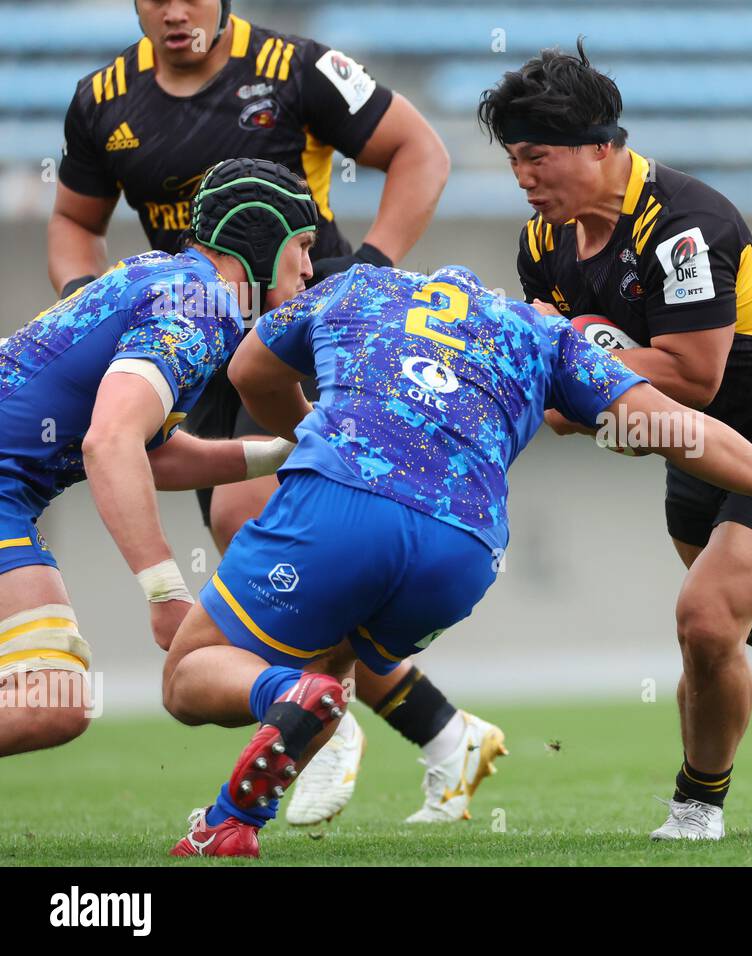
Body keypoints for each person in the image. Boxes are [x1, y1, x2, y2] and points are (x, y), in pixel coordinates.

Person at [161, 261, 752, 857]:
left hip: (345, 502)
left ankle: (287, 708)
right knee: (335, 653)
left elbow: (251, 370)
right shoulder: (540, 330)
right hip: (464, 548)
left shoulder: (359, 285)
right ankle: (232, 818)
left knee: (190, 673)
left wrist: (312, 433)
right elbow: (673, 425)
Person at [48, 0, 489, 827]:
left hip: (305, 336)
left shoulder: (297, 68)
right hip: (198, 339)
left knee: (278, 538)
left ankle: (319, 719)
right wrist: (91, 306)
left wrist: (364, 274)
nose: (174, 11)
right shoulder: (102, 100)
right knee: (264, 554)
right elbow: (75, 223)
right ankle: (432, 729)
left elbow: (420, 154)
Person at [476, 41, 752, 842]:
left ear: (601, 145)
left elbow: (692, 375)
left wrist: (585, 371)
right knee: (741, 619)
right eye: (515, 160)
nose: (524, 177)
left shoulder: (684, 224)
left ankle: (696, 806)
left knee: (708, 619)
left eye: (538, 157)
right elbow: (561, 401)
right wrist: (580, 388)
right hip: (690, 445)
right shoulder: (541, 246)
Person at [0, 158, 309, 757]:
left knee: (48, 697)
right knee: (49, 701)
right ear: (263, 238)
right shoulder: (198, 308)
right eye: (303, 246)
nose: (307, 269)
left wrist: (283, 449)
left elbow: (150, 453)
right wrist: (166, 590)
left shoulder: (170, 281)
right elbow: (109, 443)